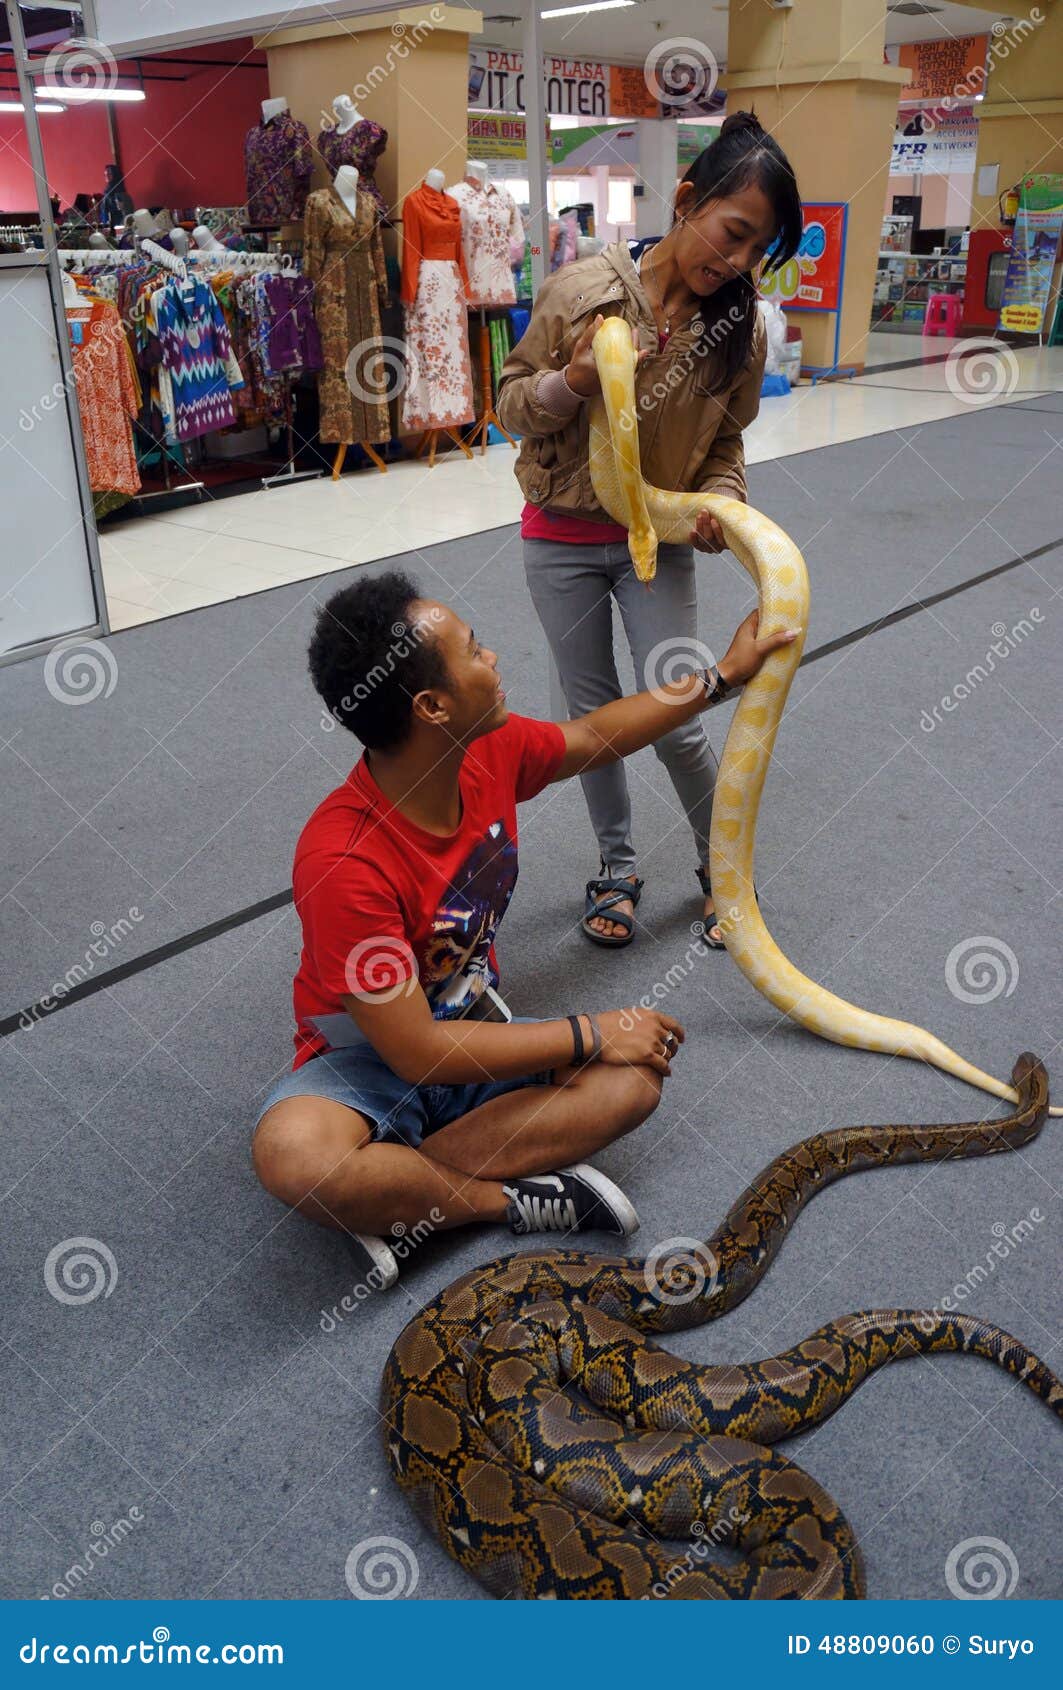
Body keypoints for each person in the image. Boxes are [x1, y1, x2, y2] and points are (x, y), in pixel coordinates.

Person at [252, 569, 798, 1286]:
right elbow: (414, 1052)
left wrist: (721, 676)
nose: (493, 658)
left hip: (476, 1032)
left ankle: (399, 1197)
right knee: (295, 1156)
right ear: (432, 706)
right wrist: (592, 1031)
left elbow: (594, 736)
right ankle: (498, 1203)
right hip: (370, 1059)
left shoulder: (485, 751)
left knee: (635, 1079)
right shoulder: (343, 861)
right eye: (473, 651)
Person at [497, 111, 802, 951]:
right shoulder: (577, 293)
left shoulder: (740, 328)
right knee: (593, 722)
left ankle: (722, 871)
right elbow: (510, 404)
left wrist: (719, 502)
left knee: (677, 710)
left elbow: (727, 439)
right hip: (557, 539)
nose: (736, 262)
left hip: (657, 541)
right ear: (686, 199)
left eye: (756, 250)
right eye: (733, 234)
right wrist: (572, 380)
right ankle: (617, 866)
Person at [98, 164, 133, 229]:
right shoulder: (107, 192)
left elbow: (127, 216)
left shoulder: (121, 194)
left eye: (109, 174)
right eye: (105, 174)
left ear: (115, 175)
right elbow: (104, 211)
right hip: (108, 227)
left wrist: (121, 229)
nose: (107, 176)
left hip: (120, 228)